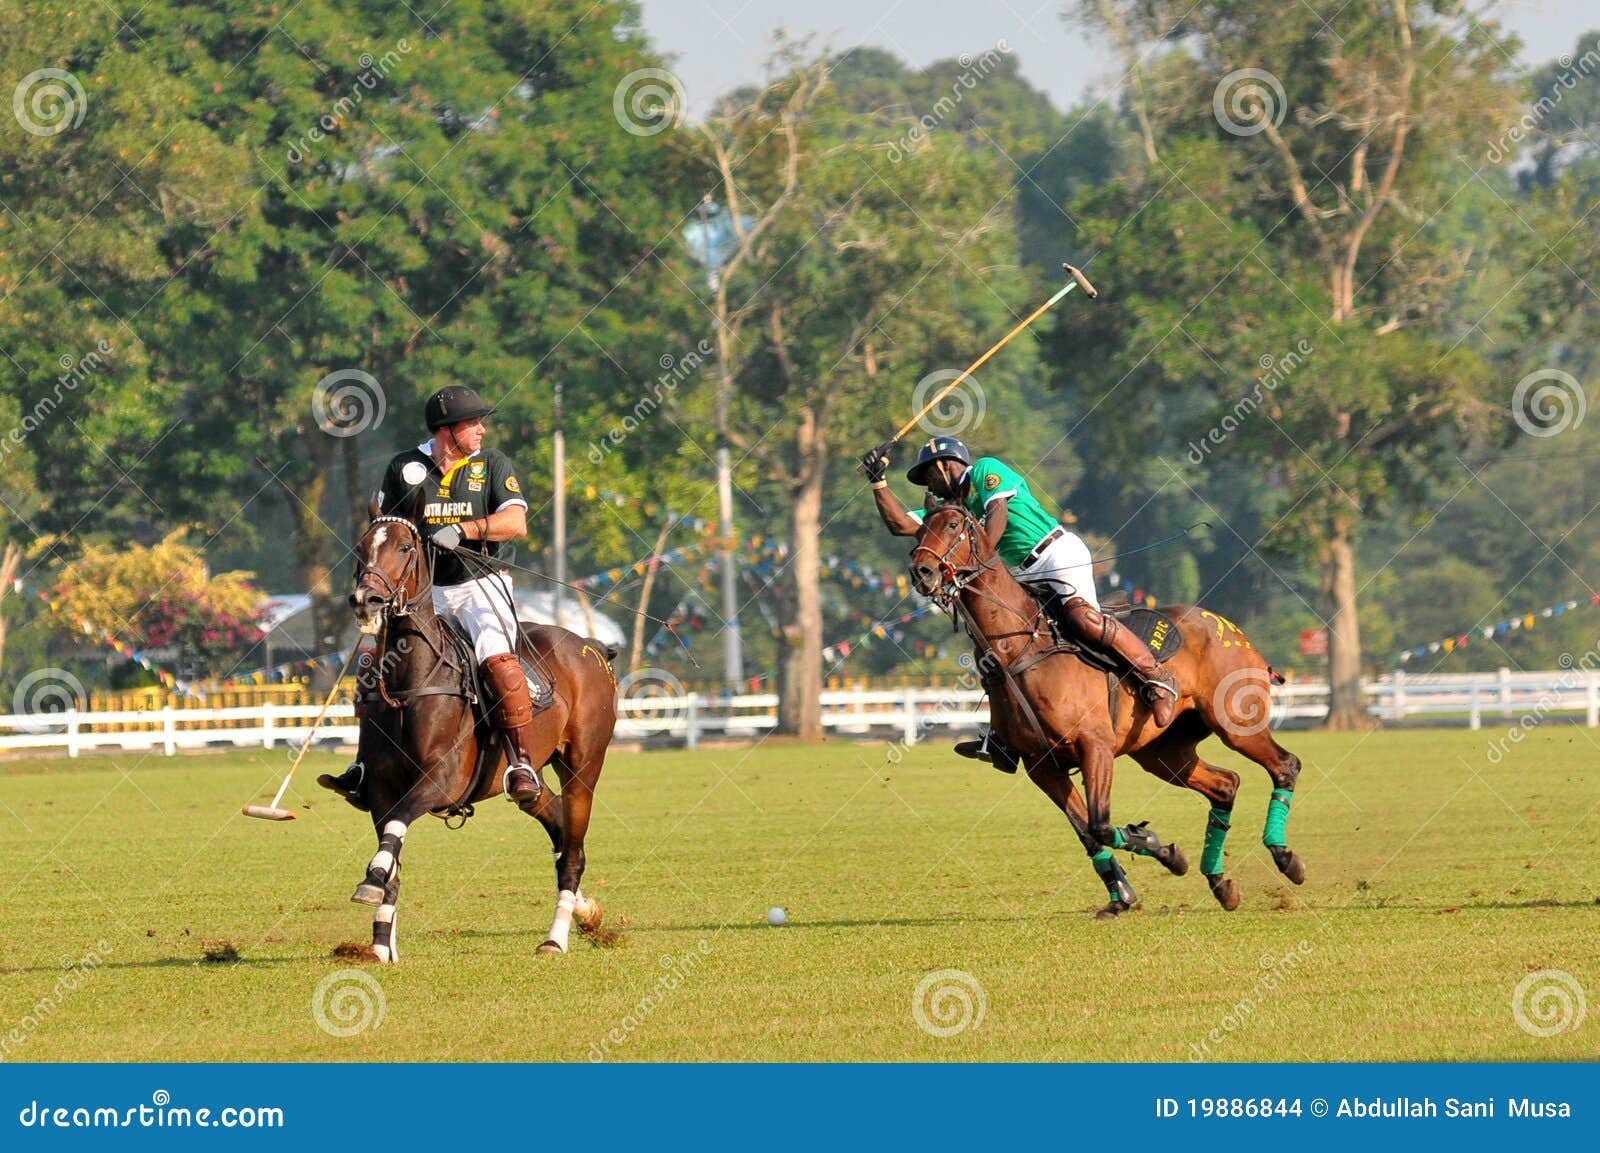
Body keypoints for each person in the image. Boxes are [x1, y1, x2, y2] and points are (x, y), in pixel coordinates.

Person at [862, 437, 1178, 770]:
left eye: (928, 476)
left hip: (1056, 554)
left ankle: (1157, 679)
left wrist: (980, 560)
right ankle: (1003, 735)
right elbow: (901, 525)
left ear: (946, 465)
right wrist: (878, 482)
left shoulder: (985, 470)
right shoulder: (951, 509)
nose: (928, 486)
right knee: (994, 647)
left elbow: (997, 512)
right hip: (1021, 573)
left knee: (1082, 618)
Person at [320, 385, 544, 808]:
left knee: (497, 660)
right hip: (423, 593)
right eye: (472, 423)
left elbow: (516, 522)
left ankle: (521, 763)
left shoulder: (492, 464)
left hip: (481, 584)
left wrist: (464, 529)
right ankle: (364, 764)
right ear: (446, 430)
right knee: (375, 666)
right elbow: (383, 527)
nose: (480, 430)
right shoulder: (404, 467)